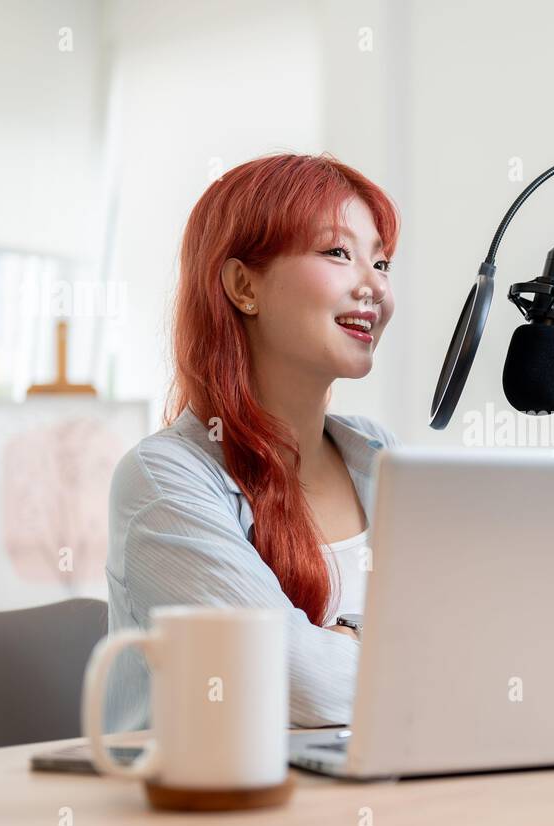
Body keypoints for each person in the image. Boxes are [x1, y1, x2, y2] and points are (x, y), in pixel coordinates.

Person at [102, 153, 400, 731]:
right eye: (337, 252)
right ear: (243, 286)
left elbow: (470, 642)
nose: (374, 287)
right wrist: (400, 646)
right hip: (210, 815)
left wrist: (349, 638)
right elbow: (302, 686)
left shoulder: (380, 454)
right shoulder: (162, 480)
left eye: (382, 262)